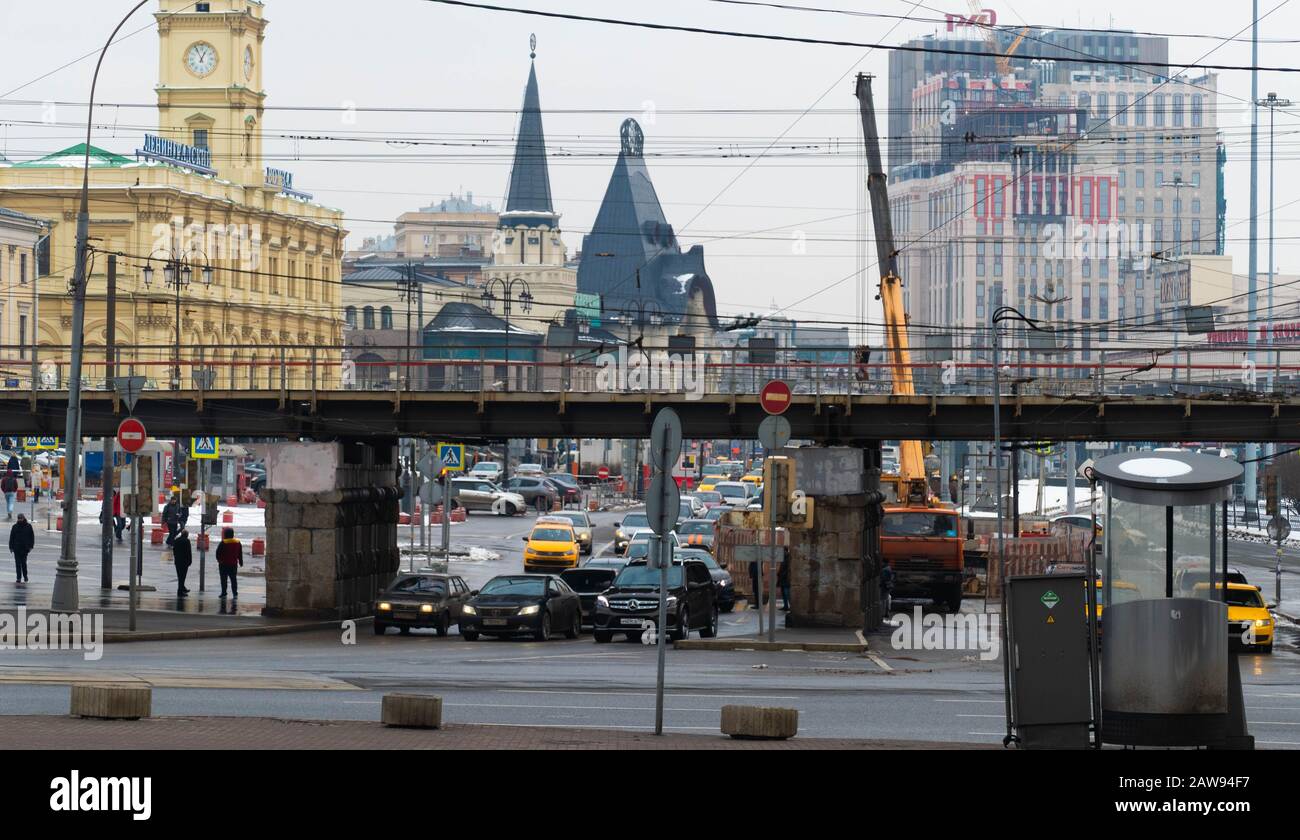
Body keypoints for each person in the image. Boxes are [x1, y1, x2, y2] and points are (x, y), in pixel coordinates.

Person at [215, 526, 243, 599]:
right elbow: (240, 553)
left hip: (223, 564)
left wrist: (219, 560)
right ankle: (235, 593)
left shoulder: (223, 542)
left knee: (223, 579)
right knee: (233, 579)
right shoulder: (238, 542)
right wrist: (240, 561)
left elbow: (218, 553)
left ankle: (224, 592)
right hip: (233, 564)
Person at [9, 513, 34, 584]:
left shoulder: (28, 526)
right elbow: (12, 537)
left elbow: (31, 537)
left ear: (23, 518)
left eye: (21, 518)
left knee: (23, 563)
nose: (19, 520)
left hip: (25, 548)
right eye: (18, 518)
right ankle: (18, 578)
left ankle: (25, 576)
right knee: (17, 564)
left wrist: (31, 546)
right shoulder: (15, 527)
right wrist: (11, 547)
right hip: (16, 548)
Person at [172, 527, 192, 596]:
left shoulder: (176, 540)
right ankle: (180, 592)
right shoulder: (187, 541)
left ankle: (182, 588)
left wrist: (176, 557)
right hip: (184, 562)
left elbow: (174, 550)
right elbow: (189, 552)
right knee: (182, 577)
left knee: (180, 576)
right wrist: (190, 561)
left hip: (178, 562)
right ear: (186, 535)